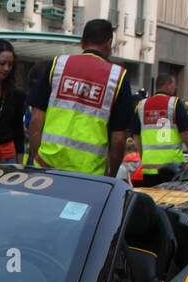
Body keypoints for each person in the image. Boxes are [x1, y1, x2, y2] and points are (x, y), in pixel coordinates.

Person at [26, 18, 134, 176]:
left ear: (82, 43)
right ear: (109, 43)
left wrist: (38, 159)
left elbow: (36, 120)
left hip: (48, 166)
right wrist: (111, 176)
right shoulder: (118, 77)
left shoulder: (57, 65)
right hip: (89, 174)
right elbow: (119, 138)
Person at [134, 73, 188, 184]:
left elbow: (137, 136)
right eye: (174, 85)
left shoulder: (142, 105)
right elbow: (185, 133)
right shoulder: (174, 103)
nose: (175, 88)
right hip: (172, 167)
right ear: (167, 85)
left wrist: (143, 156)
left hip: (149, 168)